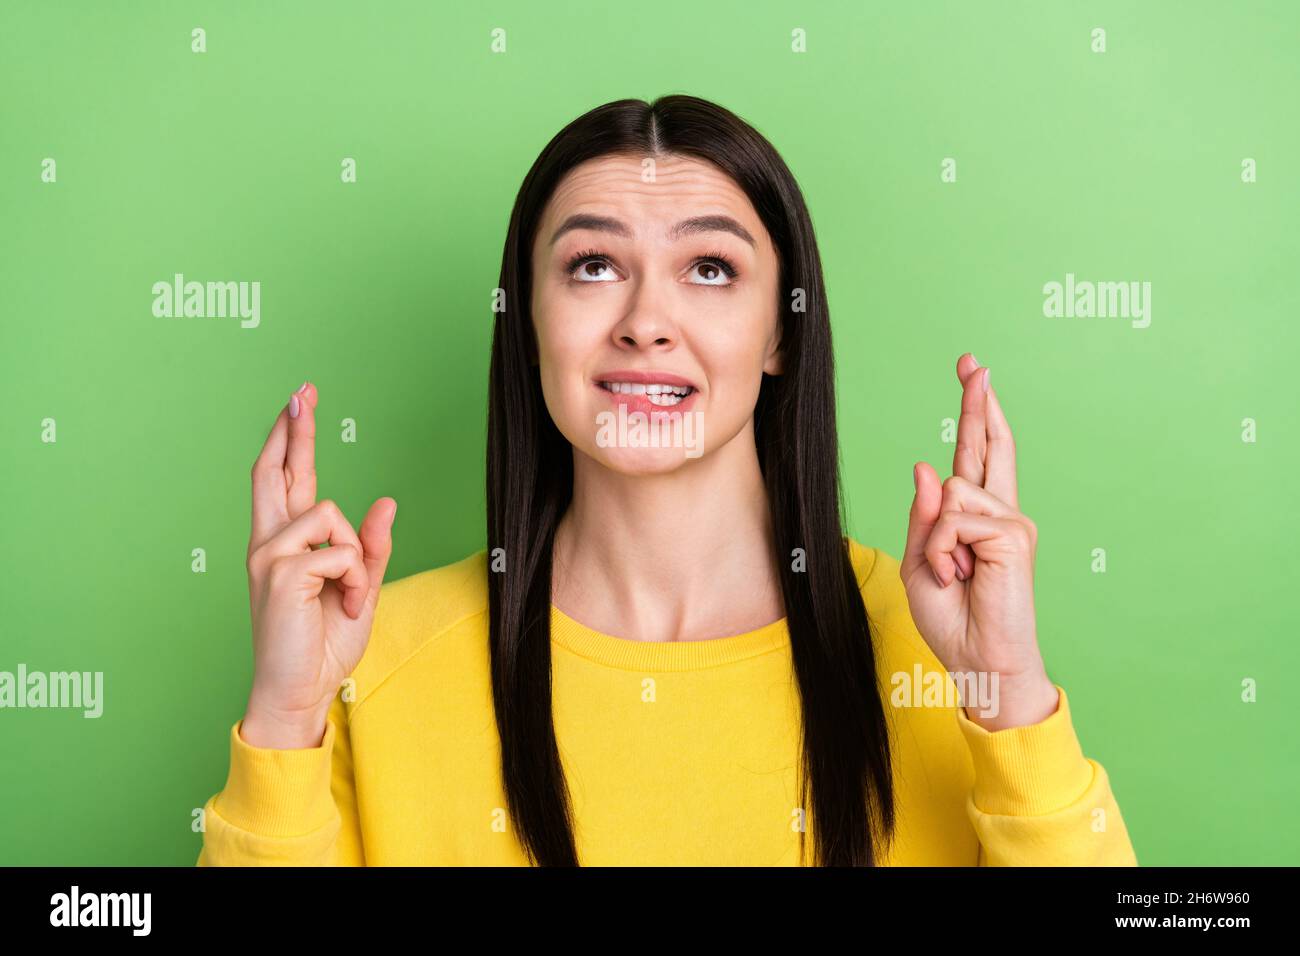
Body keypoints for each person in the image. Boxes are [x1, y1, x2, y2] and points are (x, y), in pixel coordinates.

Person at [197, 95, 1137, 866]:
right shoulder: (370, 661)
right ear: (528, 325)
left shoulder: (940, 660)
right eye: (594, 265)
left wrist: (1008, 693)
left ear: (782, 333)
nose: (647, 320)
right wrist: (285, 720)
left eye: (711, 268)